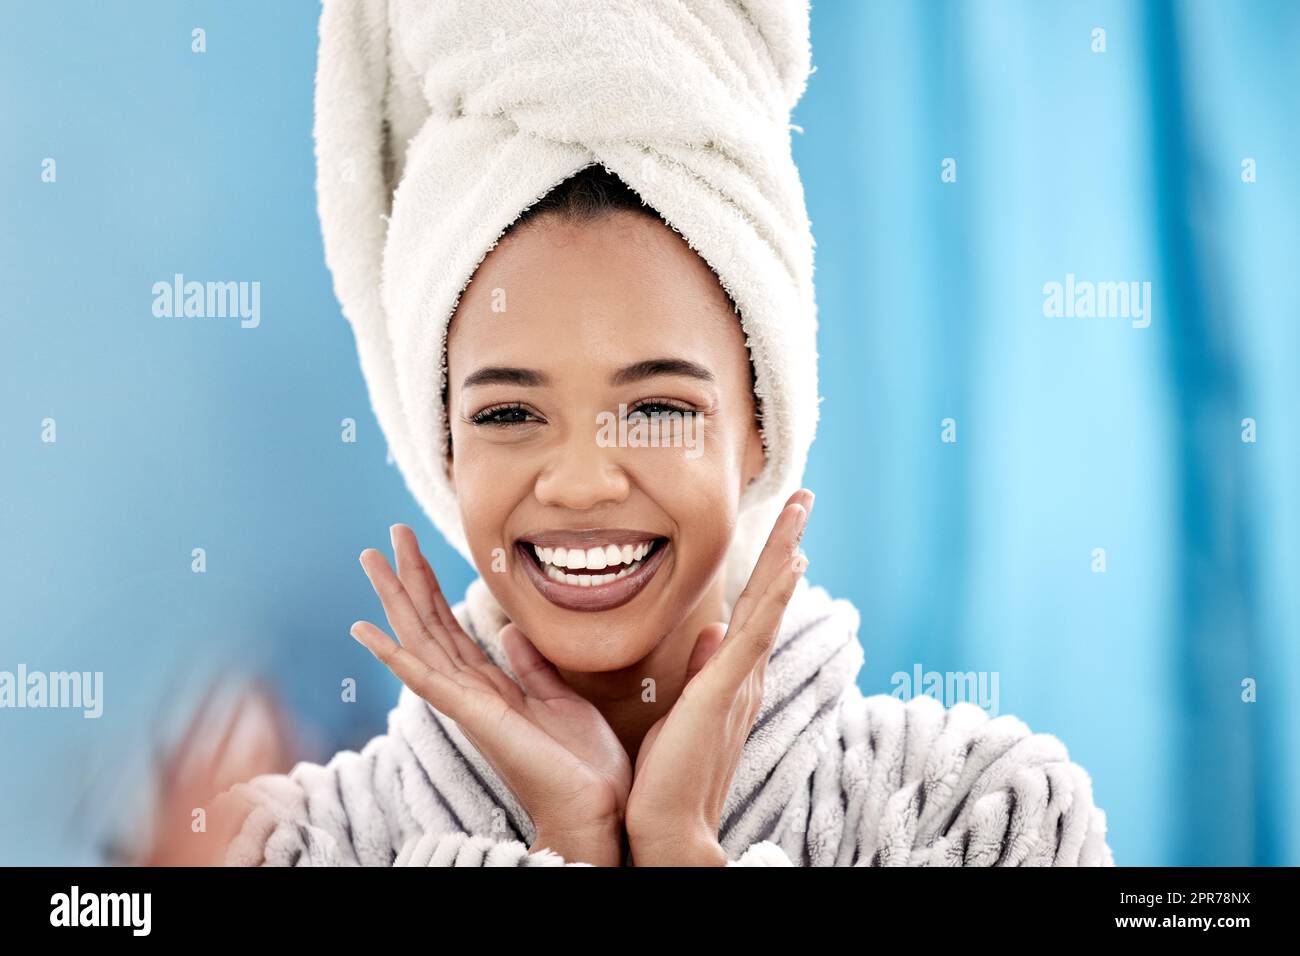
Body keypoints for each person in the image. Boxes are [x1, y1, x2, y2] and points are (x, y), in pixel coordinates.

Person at [208, 0, 1113, 866]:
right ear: (441, 445)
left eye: (656, 409)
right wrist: (568, 839)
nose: (582, 481)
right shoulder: (290, 850)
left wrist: (680, 853)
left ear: (763, 425)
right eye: (510, 414)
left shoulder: (982, 820)